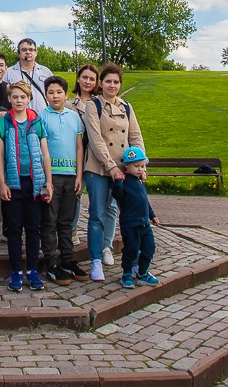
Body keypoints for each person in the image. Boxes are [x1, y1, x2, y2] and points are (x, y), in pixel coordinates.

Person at [83, 63, 145, 282]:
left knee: (116, 211)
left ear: (120, 84)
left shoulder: (126, 107)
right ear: (101, 83)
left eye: (116, 82)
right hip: (99, 168)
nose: (112, 85)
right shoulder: (93, 105)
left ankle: (108, 247)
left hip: (123, 169)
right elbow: (95, 138)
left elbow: (136, 137)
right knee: (97, 214)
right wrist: (109, 166)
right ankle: (95, 260)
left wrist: (141, 165)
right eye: (108, 81)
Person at [0, 80, 52, 293]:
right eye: (15, 97)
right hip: (13, 182)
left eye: (23, 97)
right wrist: (2, 183)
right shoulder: (4, 123)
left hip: (34, 183)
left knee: (33, 228)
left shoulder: (36, 122)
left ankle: (33, 271)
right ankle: (17, 271)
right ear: (9, 99)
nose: (19, 100)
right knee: (14, 229)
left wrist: (49, 181)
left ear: (29, 99)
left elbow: (45, 154)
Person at [38, 75, 87, 285]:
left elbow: (79, 146)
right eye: (51, 92)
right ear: (46, 95)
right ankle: (51, 263)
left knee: (66, 222)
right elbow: (41, 148)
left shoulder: (74, 117)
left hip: (71, 176)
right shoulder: (40, 117)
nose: (55, 95)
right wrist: (46, 180)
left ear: (66, 95)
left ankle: (67, 259)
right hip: (51, 177)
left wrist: (79, 175)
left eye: (59, 92)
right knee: (49, 221)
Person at [112, 146, 161, 289]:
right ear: (127, 166)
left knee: (149, 248)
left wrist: (152, 215)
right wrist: (118, 182)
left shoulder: (140, 183)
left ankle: (142, 272)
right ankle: (127, 273)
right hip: (130, 224)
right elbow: (117, 196)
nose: (140, 169)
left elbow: (145, 201)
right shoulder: (125, 181)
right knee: (131, 249)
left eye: (142, 166)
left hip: (145, 223)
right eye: (136, 166)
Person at [66, 63, 103, 247]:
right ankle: (72, 230)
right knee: (76, 193)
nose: (87, 81)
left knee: (100, 197)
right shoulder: (69, 105)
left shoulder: (100, 103)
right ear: (78, 79)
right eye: (84, 77)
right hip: (75, 155)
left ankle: (101, 235)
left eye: (91, 79)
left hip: (96, 155)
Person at [4, 38, 54, 112]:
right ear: (18, 53)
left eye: (31, 50)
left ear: (36, 52)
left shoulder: (46, 72)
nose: (28, 52)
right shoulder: (8, 73)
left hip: (42, 114)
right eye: (24, 50)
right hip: (17, 117)